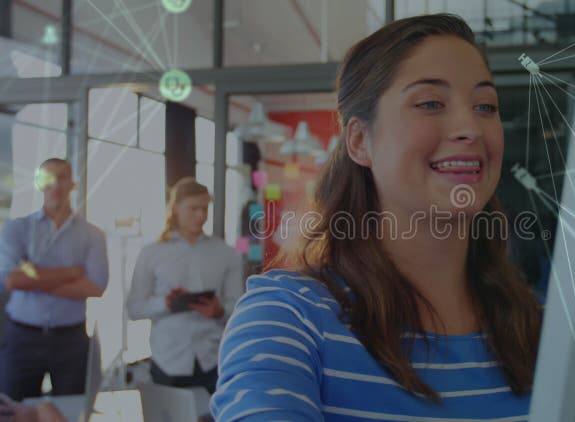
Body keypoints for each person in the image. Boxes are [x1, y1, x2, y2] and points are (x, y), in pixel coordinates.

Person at [211, 14, 543, 421]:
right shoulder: (287, 317)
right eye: (431, 103)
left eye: (485, 106)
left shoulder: (541, 327)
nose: (469, 127)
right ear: (359, 141)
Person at [0, 158, 109, 401]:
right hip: (22, 338)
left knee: (70, 412)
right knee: (11, 411)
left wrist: (33, 275)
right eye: (48, 178)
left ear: (73, 184)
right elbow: (13, 281)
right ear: (38, 183)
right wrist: (71, 273)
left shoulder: (92, 235)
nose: (55, 184)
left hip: (71, 340)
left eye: (62, 177)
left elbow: (95, 286)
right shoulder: (17, 229)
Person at [127, 177, 243, 394]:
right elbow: (134, 308)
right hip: (168, 360)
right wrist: (167, 302)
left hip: (213, 359)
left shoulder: (226, 253)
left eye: (204, 208)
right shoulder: (152, 253)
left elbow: (238, 306)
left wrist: (219, 311)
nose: (201, 215)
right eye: (193, 208)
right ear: (176, 208)